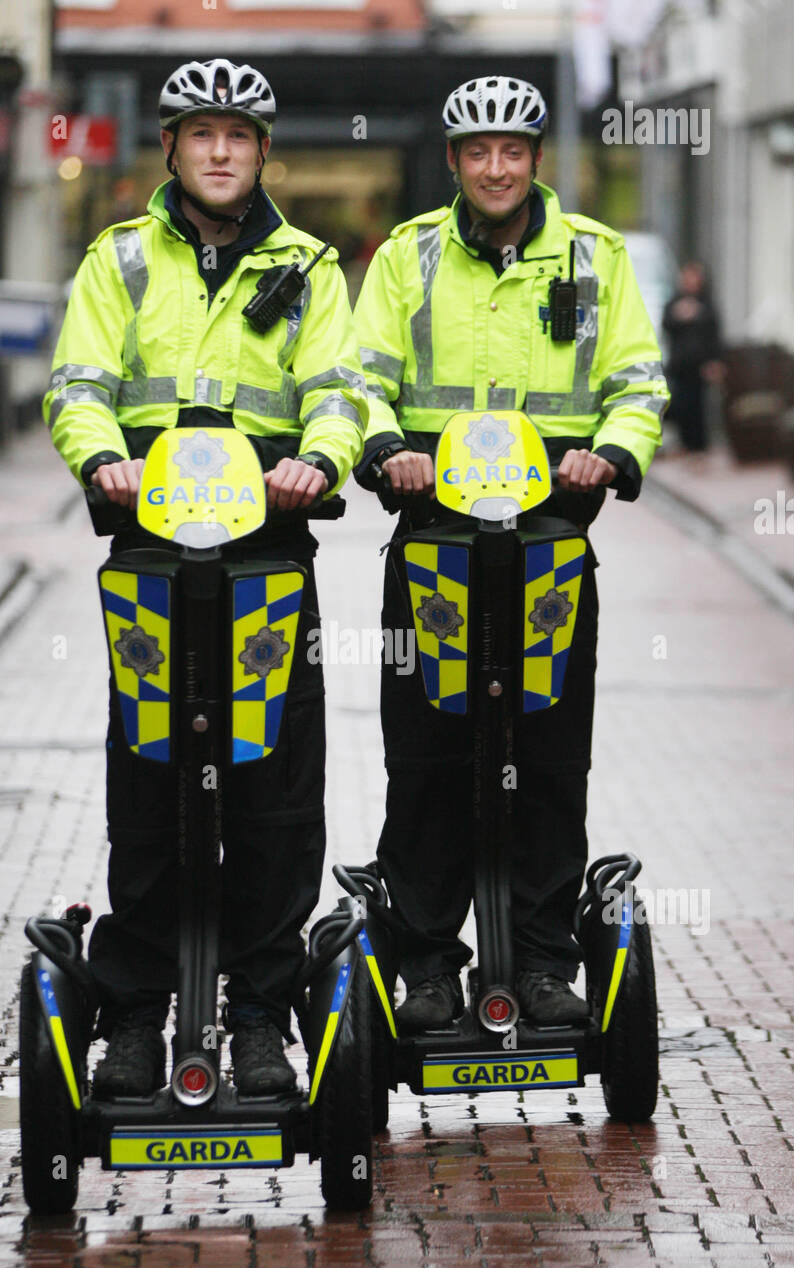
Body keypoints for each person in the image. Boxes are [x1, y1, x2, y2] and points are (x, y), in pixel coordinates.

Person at [43, 58, 367, 1096]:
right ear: (172, 148)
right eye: (200, 134)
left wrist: (316, 460)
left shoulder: (312, 267)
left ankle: (263, 1012)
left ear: (262, 150)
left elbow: (339, 390)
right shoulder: (120, 260)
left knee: (272, 792)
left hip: (266, 559)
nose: (220, 151)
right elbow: (79, 383)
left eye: (238, 134)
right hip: (148, 559)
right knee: (148, 786)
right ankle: (137, 1012)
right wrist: (102, 459)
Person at [352, 75, 669, 1032]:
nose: (496, 167)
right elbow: (358, 379)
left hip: (551, 547)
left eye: (513, 150)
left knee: (548, 756)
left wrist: (611, 452)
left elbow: (637, 379)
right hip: (436, 546)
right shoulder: (408, 259)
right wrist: (383, 450)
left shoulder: (592, 256)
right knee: (428, 758)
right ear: (454, 161)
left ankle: (540, 962)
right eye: (477, 151)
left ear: (536, 159)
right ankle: (430, 967)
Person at [662, 260, 724, 453]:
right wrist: (679, 315)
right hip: (680, 365)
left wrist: (716, 361)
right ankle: (685, 443)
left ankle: (700, 446)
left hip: (700, 366)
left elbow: (714, 334)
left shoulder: (707, 304)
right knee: (680, 405)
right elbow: (666, 325)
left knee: (700, 407)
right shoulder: (674, 302)